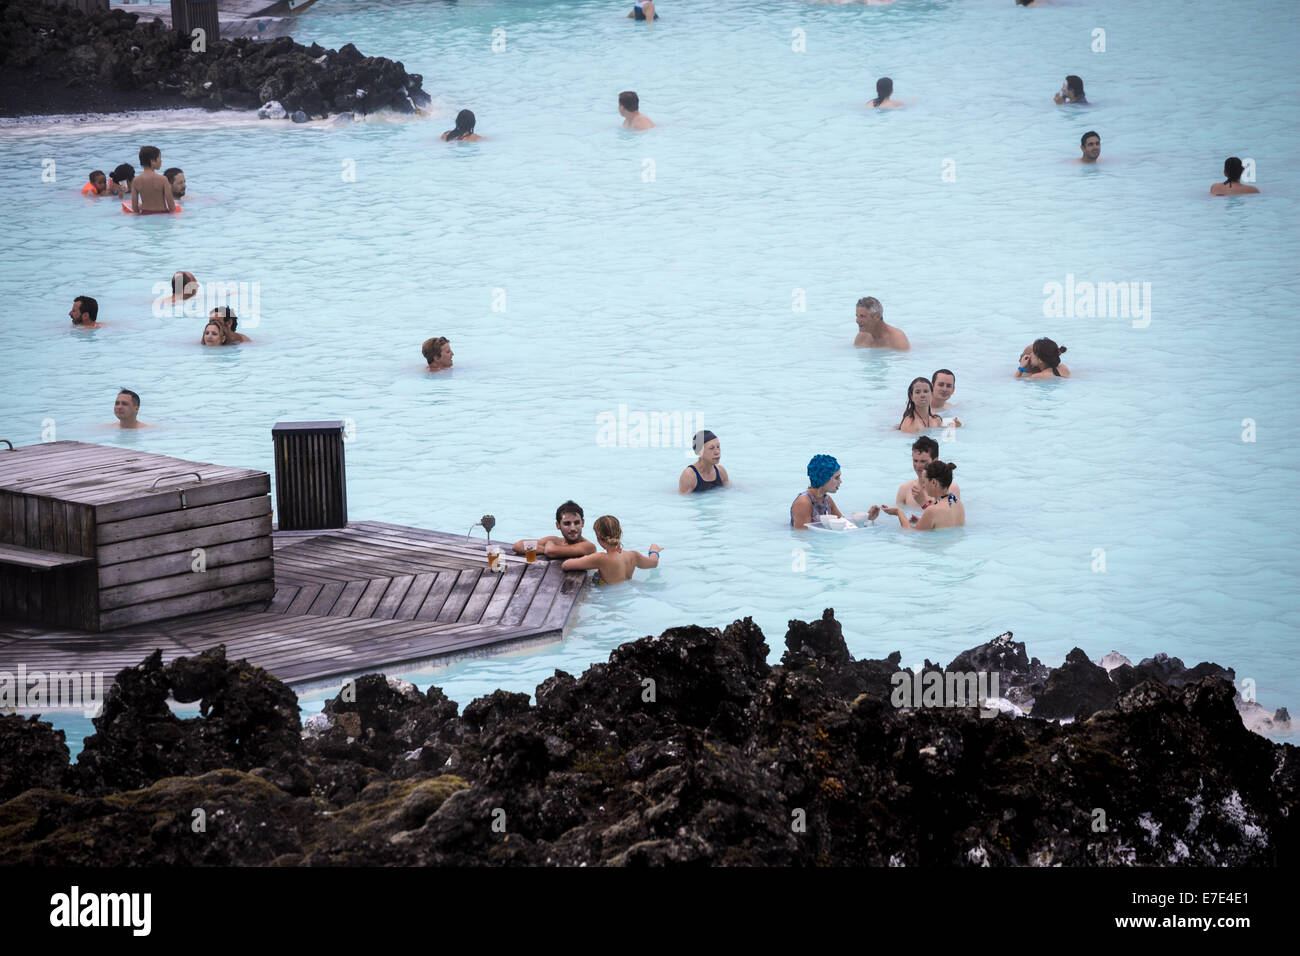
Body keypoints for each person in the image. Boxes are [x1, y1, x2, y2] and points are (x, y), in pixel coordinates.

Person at [560, 515, 660, 585]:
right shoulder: (633, 555)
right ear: (620, 533)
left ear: (598, 539)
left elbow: (566, 565)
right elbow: (654, 563)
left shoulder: (600, 558)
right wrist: (654, 550)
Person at [882, 460, 963, 531]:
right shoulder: (958, 503)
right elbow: (944, 525)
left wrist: (898, 512)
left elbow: (910, 532)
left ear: (934, 482)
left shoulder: (932, 511)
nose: (923, 486)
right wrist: (922, 522)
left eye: (924, 482)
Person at [512, 500, 598, 559]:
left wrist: (548, 546)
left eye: (576, 523)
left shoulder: (588, 546)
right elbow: (518, 546)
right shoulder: (555, 541)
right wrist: (546, 549)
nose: (573, 528)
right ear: (558, 525)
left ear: (582, 523)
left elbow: (550, 551)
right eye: (567, 523)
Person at [896, 436, 960, 507]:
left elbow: (949, 516)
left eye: (923, 461)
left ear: (935, 460)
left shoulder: (951, 488)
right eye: (915, 460)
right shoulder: (905, 489)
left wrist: (923, 502)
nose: (918, 466)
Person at [791, 454, 844, 529]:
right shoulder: (803, 502)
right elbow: (802, 536)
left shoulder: (827, 499)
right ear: (824, 478)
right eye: (837, 477)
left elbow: (844, 523)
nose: (840, 481)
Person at [678, 429, 729, 494]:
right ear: (699, 452)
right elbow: (683, 501)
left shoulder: (721, 471)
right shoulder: (689, 476)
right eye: (711, 448)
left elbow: (728, 491)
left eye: (718, 446)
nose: (717, 452)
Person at [130, 145, 177, 214]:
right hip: (162, 215)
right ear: (152, 161)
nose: (161, 161)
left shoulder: (135, 181)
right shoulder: (163, 179)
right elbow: (171, 206)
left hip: (144, 215)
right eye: (159, 158)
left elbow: (134, 208)